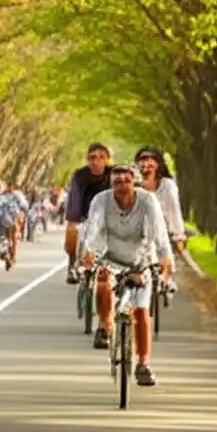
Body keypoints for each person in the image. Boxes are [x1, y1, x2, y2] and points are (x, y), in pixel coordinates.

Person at [81, 164, 173, 385]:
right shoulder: (101, 201)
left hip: (141, 260)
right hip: (110, 257)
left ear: (135, 183)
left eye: (126, 181)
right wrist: (88, 256)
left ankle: (143, 363)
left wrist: (163, 265)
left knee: (141, 311)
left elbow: (160, 234)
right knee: (102, 282)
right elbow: (93, 230)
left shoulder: (148, 201)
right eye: (116, 182)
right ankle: (105, 325)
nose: (121, 186)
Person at [64, 142, 113, 283]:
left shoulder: (114, 174)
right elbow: (75, 197)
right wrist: (74, 219)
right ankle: (73, 264)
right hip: (86, 217)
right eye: (92, 158)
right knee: (72, 231)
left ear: (107, 159)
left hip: (110, 217)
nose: (96, 161)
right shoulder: (80, 175)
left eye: (101, 157)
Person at [135, 146, 186, 270]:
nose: (146, 163)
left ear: (158, 163)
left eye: (151, 159)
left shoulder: (167, 186)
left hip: (161, 234)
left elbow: (173, 210)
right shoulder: (133, 185)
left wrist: (178, 236)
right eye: (143, 159)